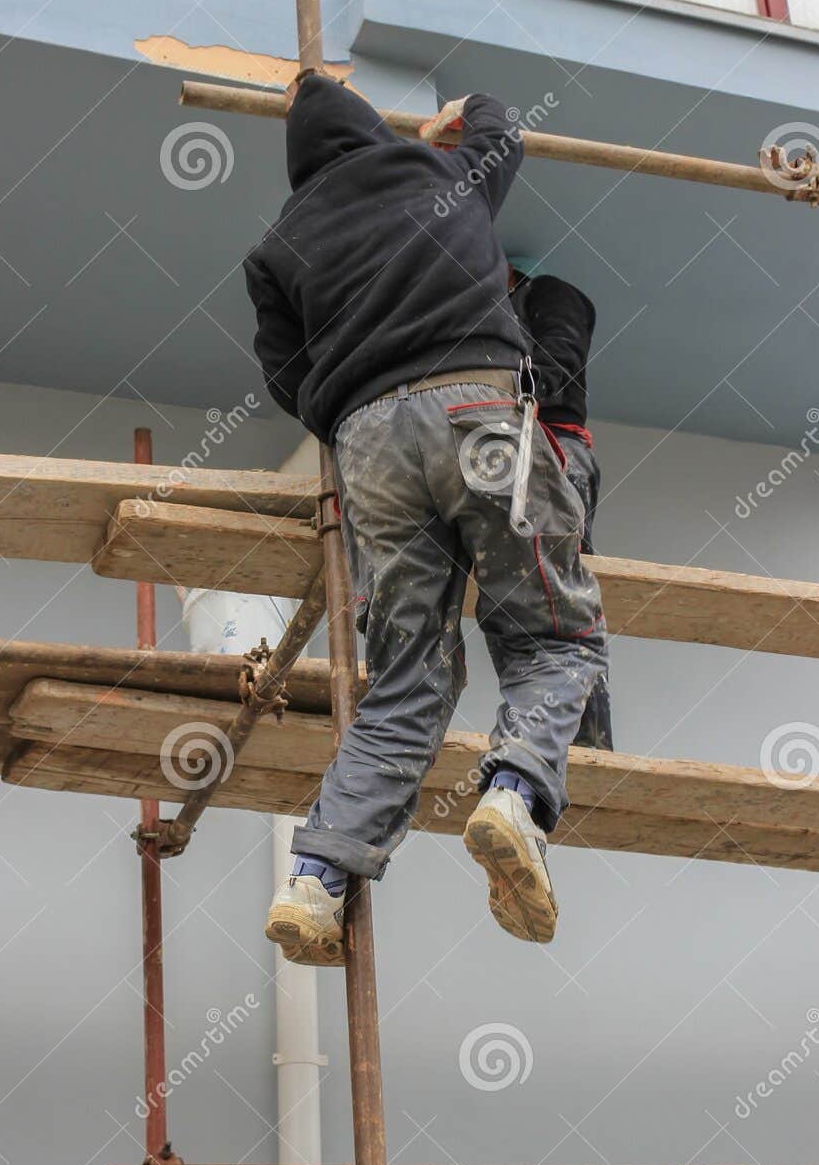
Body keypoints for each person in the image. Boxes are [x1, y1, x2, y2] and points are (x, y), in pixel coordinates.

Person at [244, 72, 606, 965]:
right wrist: (461, 114)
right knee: (553, 639)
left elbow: (285, 373)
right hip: (477, 411)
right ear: (373, 130)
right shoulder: (428, 171)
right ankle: (513, 793)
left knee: (406, 678)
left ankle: (315, 880)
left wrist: (353, 405)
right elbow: (503, 130)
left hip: (367, 444)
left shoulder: (277, 244)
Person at [506, 259, 613, 752]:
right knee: (534, 606)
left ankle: (585, 742)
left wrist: (513, 392)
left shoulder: (548, 292)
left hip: (555, 453)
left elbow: (561, 352)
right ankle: (547, 742)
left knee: (566, 603)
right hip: (523, 455)